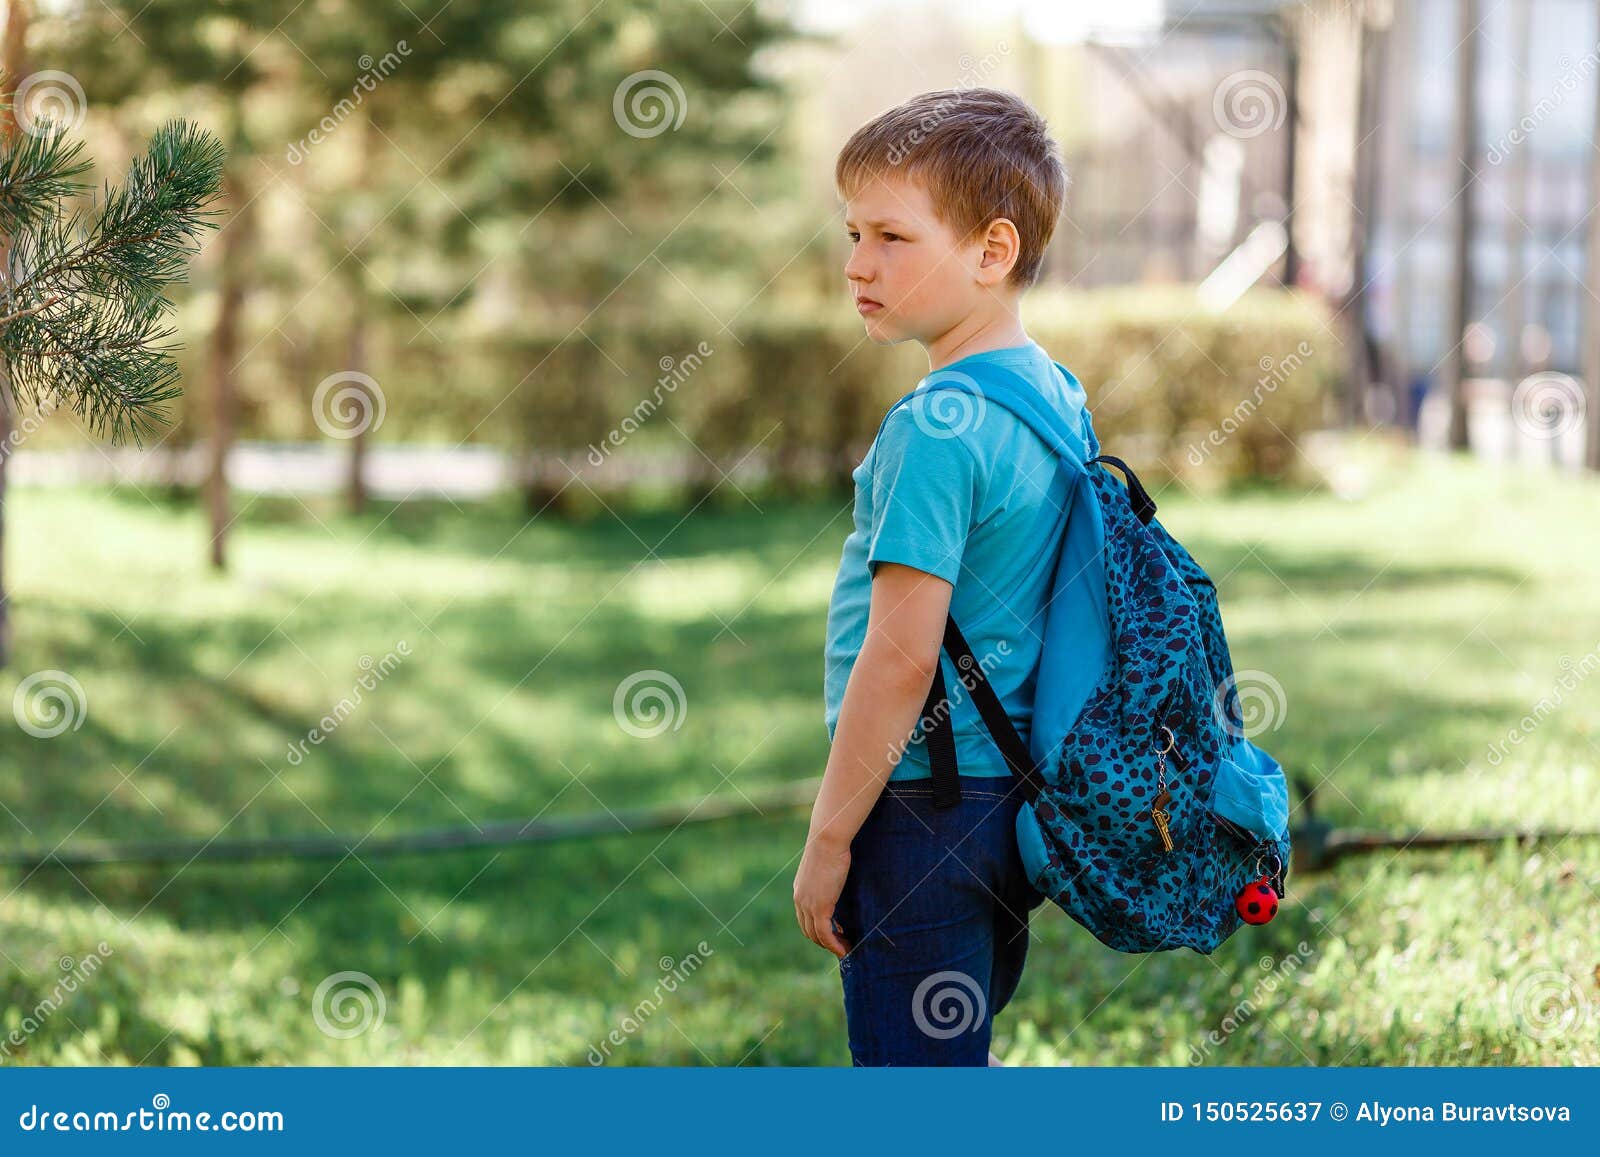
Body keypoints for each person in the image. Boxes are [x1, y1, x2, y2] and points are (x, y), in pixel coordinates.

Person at [794, 86, 1096, 1066]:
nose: (856, 263)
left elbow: (898, 657)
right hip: (1008, 801)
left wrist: (833, 837)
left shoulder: (933, 428)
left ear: (991, 252)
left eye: (890, 235)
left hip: (920, 812)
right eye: (852, 232)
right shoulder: (1052, 393)